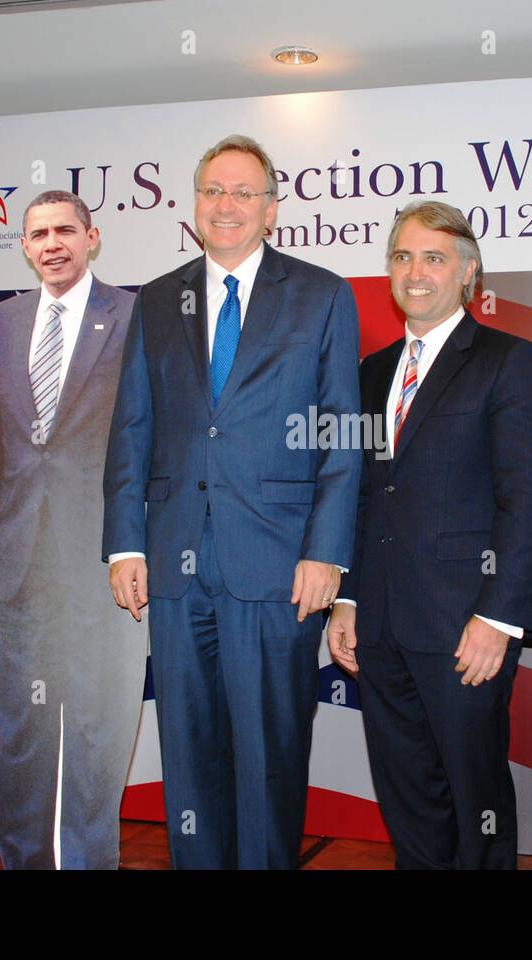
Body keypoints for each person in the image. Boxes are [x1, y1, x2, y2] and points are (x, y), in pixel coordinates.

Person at [103, 134, 361, 869]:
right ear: (194, 204)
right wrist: (126, 543)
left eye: (243, 193)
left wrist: (327, 553)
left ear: (271, 209)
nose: (226, 205)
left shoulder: (321, 294)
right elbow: (133, 427)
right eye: (214, 190)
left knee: (270, 751)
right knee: (188, 754)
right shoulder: (156, 300)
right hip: (177, 568)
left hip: (279, 567)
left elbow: (342, 436)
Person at [326, 202, 532, 868]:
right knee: (407, 796)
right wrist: (347, 598)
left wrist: (499, 616)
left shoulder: (511, 363)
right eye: (402, 257)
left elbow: (528, 501)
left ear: (468, 272)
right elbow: (362, 497)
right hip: (382, 625)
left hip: (467, 627)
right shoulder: (371, 373)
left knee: (473, 794)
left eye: (433, 257)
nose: (415, 272)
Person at [0, 190, 148, 870]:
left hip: (108, 561)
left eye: (66, 230)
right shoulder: (2, 321)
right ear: (26, 247)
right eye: (38, 234)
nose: (52, 243)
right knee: (25, 730)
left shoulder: (135, 314)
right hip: (21, 561)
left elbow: (155, 434)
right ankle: (24, 863)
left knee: (100, 727)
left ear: (93, 238)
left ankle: (92, 864)